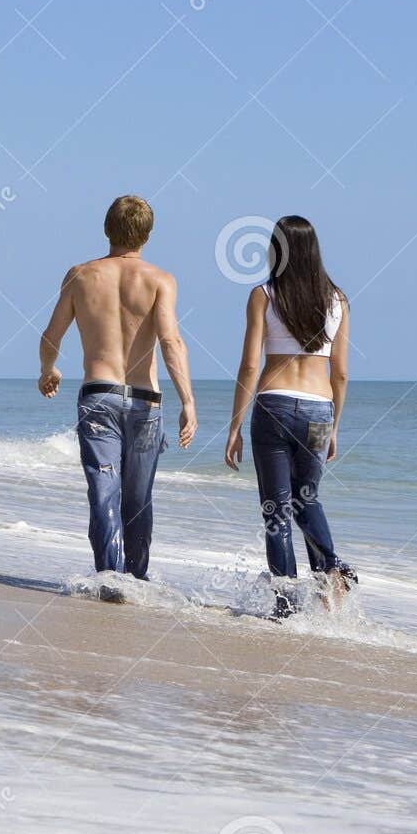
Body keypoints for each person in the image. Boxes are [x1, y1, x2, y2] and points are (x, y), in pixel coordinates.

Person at [38, 195, 197, 599]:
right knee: (139, 498)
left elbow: (50, 336)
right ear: (147, 234)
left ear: (107, 228)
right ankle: (136, 580)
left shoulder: (80, 275)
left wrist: (49, 370)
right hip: (146, 401)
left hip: (98, 397)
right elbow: (170, 340)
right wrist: (188, 402)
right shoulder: (161, 280)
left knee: (103, 489)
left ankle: (109, 578)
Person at [224, 215, 356, 621]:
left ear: (275, 250)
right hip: (319, 408)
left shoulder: (263, 294)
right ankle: (330, 571)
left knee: (277, 509)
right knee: (306, 499)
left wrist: (234, 427)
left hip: (274, 406)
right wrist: (334, 427)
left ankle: (286, 602)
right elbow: (341, 372)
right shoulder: (338, 300)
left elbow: (249, 366)